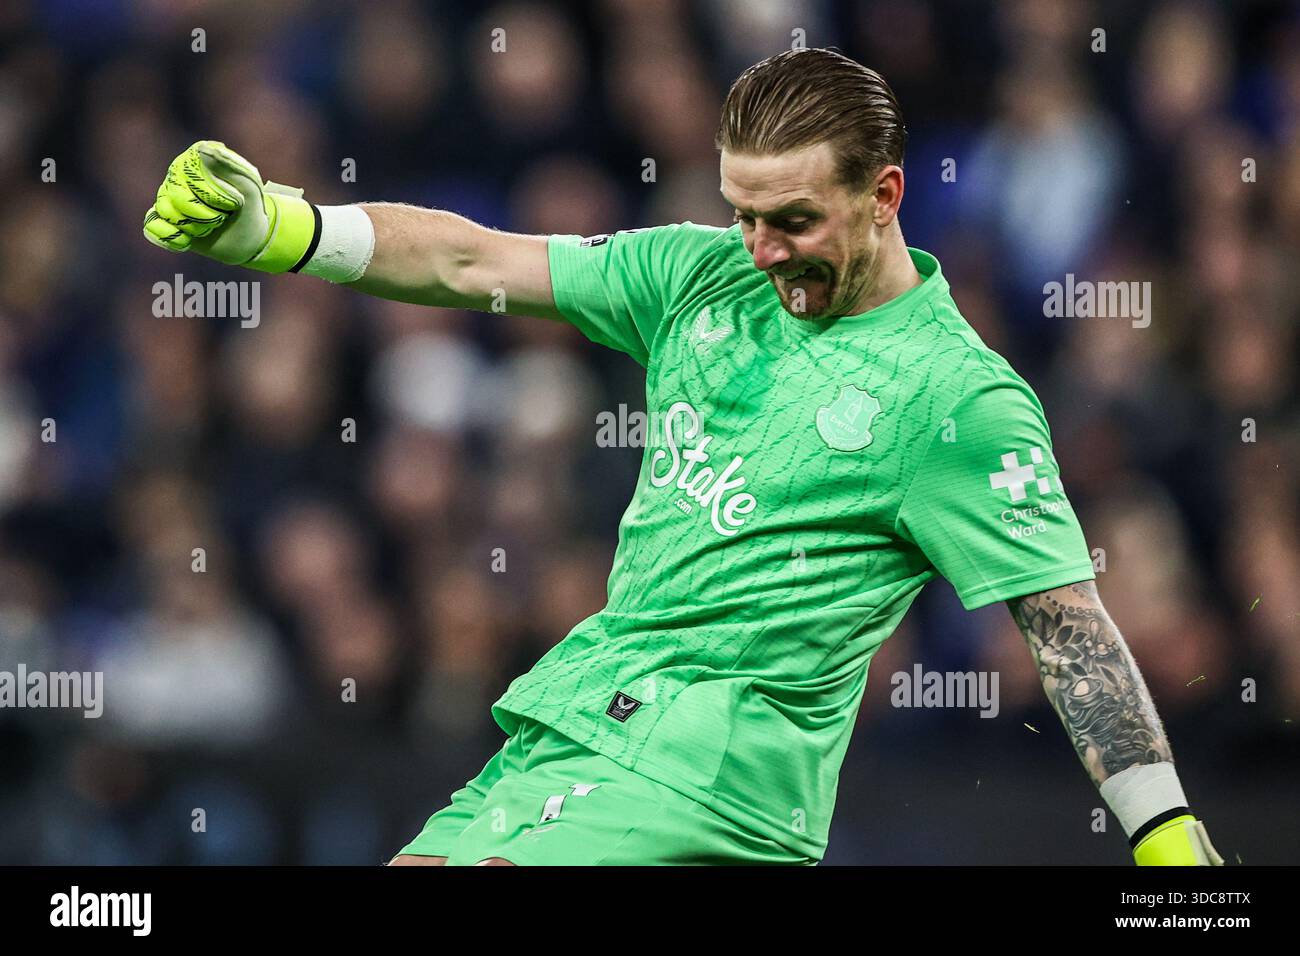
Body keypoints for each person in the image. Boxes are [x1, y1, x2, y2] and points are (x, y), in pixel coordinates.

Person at [142, 47, 1223, 867]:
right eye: (744, 214)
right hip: (576, 723)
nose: (764, 250)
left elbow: (1069, 628)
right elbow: (472, 260)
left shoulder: (958, 400)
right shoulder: (697, 277)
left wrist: (1164, 833)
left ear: (885, 196)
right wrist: (283, 228)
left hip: (700, 778)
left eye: (794, 220)